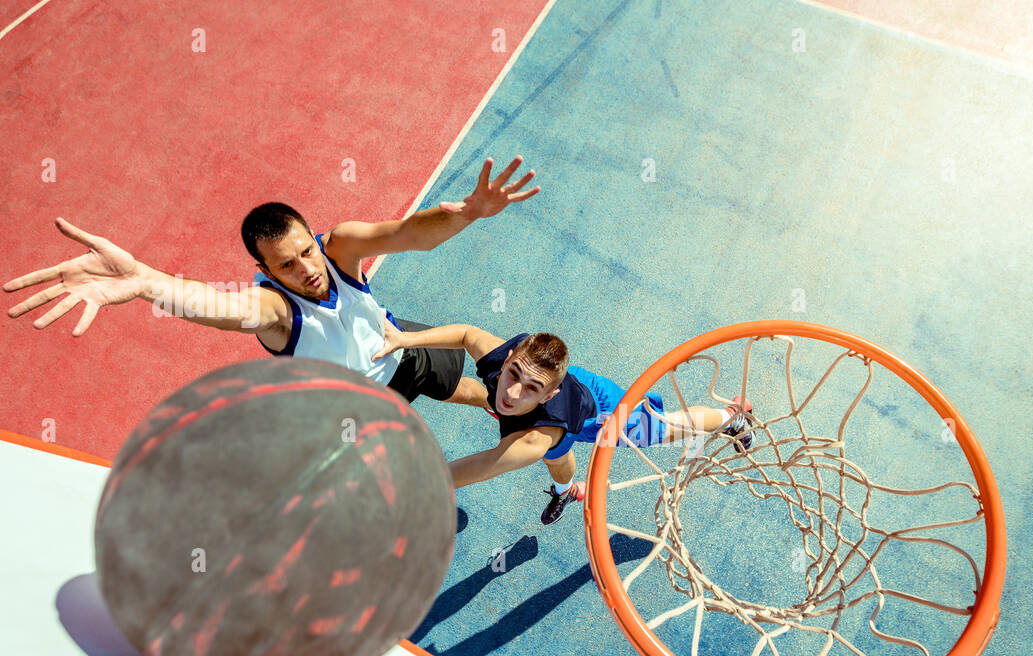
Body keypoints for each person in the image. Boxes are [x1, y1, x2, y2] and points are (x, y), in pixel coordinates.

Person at [3, 156, 539, 414]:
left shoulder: (341, 247)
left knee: (453, 384)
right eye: (286, 265)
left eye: (306, 250)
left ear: (314, 234)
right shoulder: (275, 311)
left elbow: (408, 235)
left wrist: (467, 213)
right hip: (356, 405)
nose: (306, 267)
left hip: (397, 347)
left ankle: (492, 403)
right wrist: (145, 281)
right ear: (264, 270)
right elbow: (216, 305)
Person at [369, 322, 754, 524]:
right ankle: (568, 490)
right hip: (562, 389)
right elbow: (467, 333)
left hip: (602, 412)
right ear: (506, 362)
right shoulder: (511, 363)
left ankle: (730, 417)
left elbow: (485, 464)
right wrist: (405, 339)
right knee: (494, 401)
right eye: (513, 375)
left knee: (660, 431)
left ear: (546, 395)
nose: (514, 393)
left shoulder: (538, 435)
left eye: (530, 388)